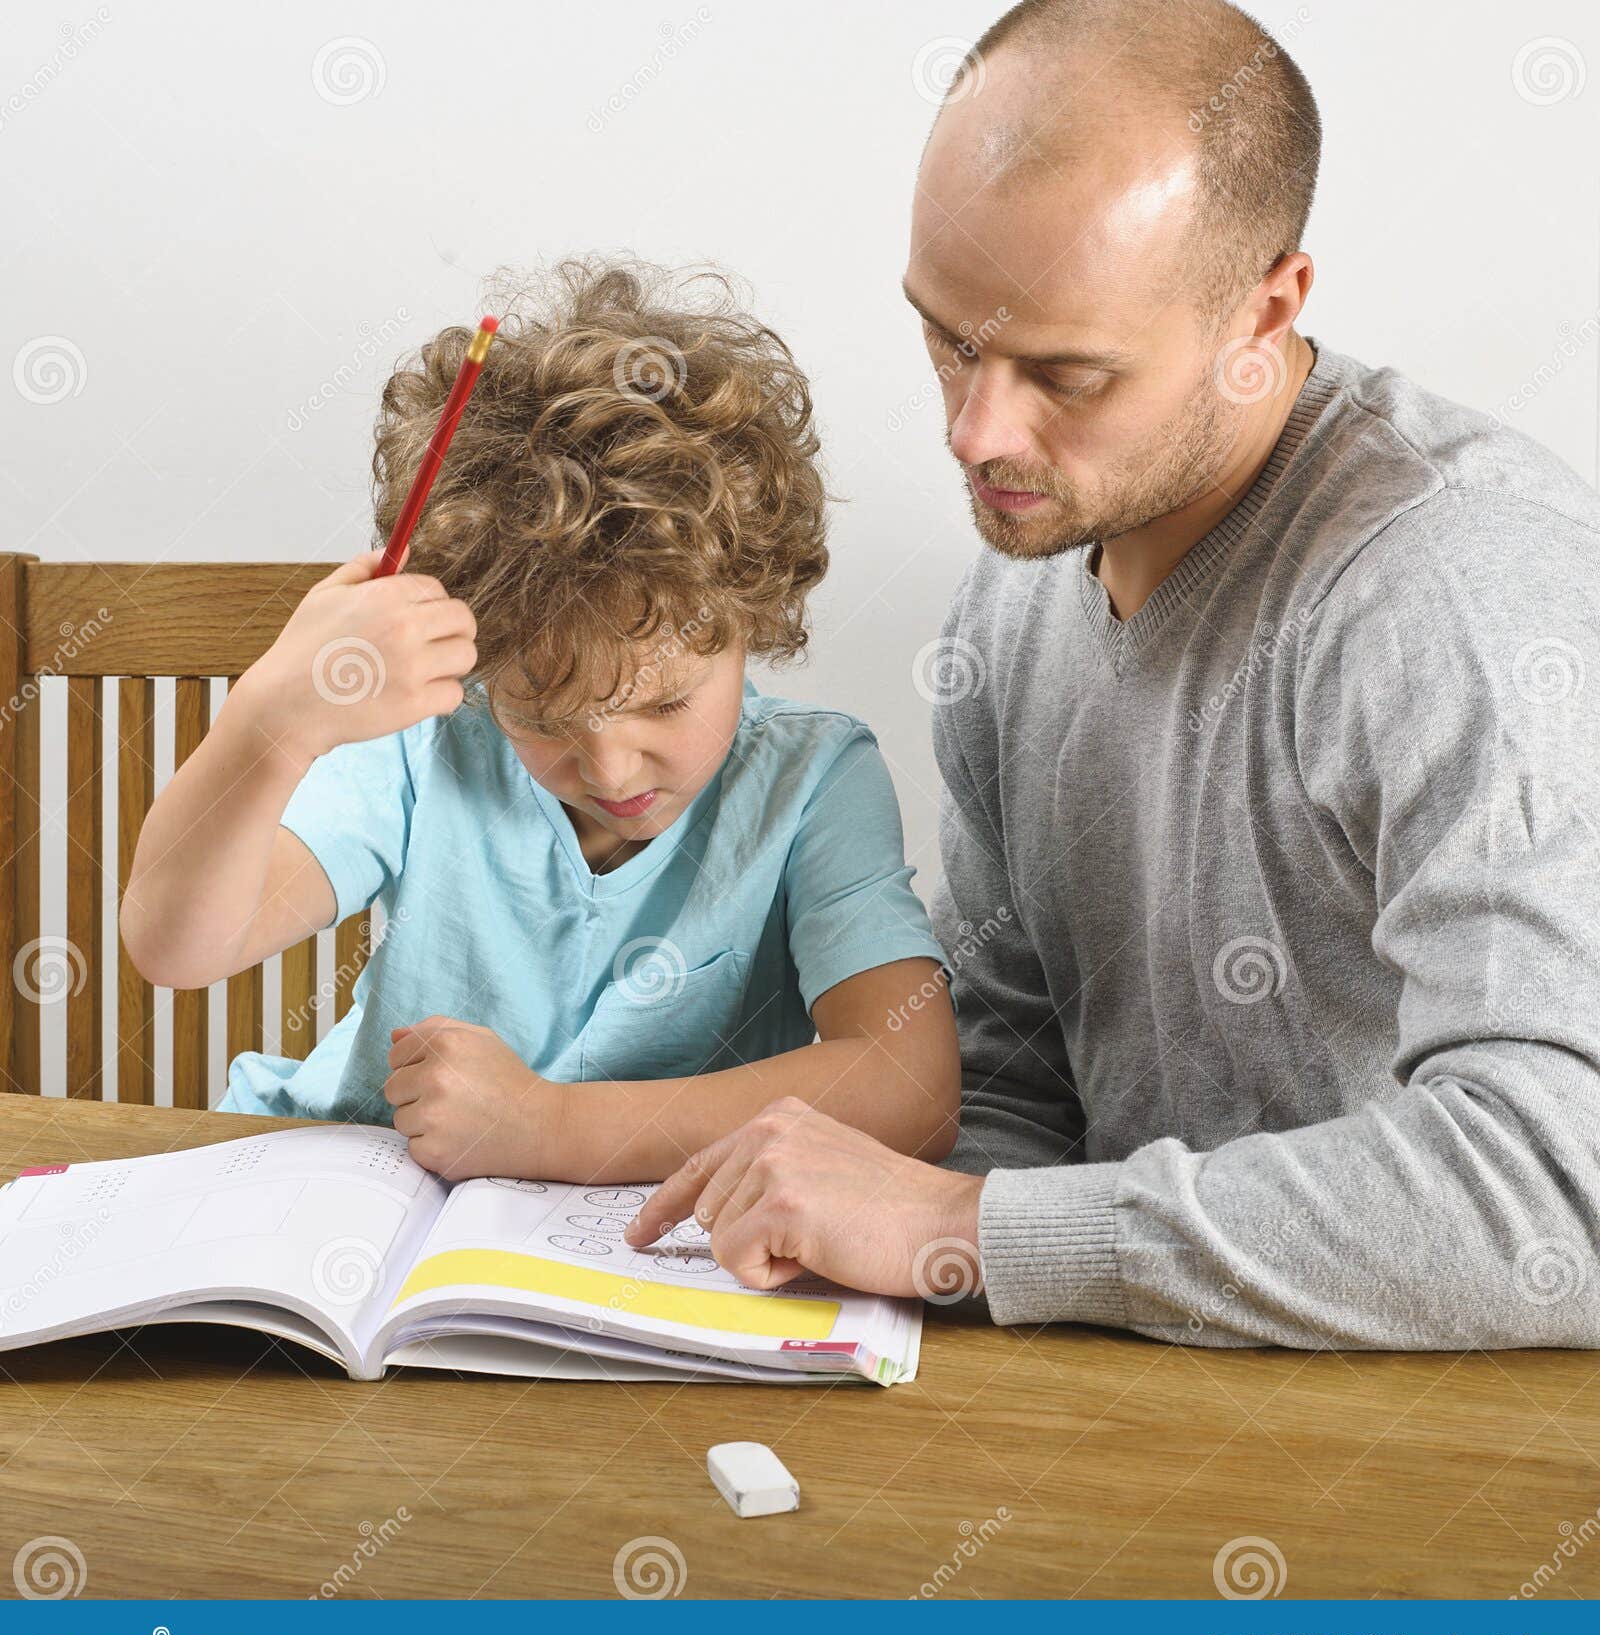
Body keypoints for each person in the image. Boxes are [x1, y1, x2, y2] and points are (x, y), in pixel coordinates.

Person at [627, 0, 1600, 1351]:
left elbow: (1560, 1193)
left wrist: (961, 1231)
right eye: (949, 337)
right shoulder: (1021, 582)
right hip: (1131, 1401)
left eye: (1066, 374)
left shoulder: (1455, 590)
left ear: (1266, 308)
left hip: (1438, 1452)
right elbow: (1022, 1074)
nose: (977, 433)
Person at [120, 258, 958, 1184]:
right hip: (339, 1189)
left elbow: (909, 1091)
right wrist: (269, 724)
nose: (609, 765)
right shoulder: (423, 743)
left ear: (752, 622)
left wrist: (554, 1127)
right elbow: (177, 948)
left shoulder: (814, 782)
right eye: (542, 713)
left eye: (665, 702)